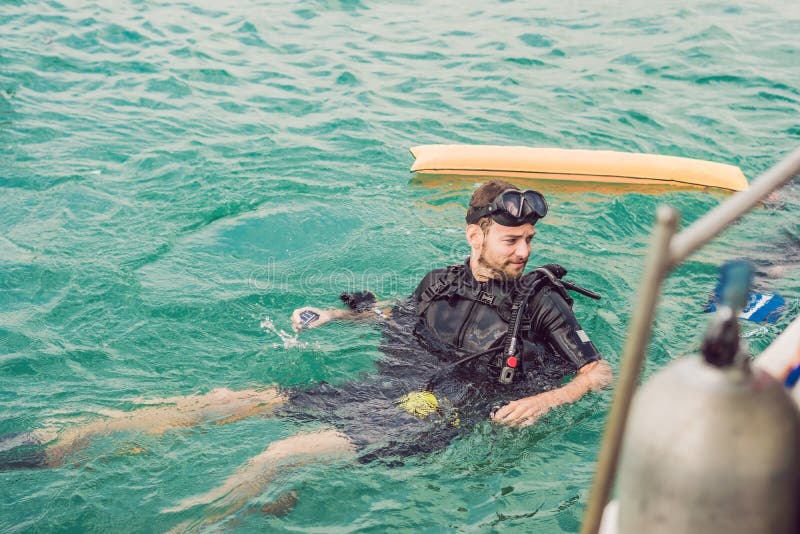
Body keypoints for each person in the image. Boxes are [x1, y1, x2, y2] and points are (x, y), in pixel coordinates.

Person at [1, 180, 612, 527]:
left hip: (438, 415)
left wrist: (548, 399)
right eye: (511, 239)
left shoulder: (542, 302)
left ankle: (199, 524)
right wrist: (339, 316)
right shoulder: (438, 282)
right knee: (231, 400)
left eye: (529, 239)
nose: (524, 251)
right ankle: (64, 445)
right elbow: (399, 318)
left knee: (280, 454)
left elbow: (599, 372)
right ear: (474, 234)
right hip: (387, 390)